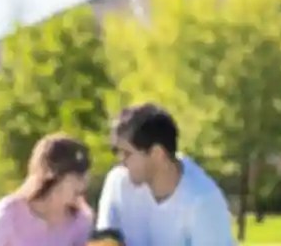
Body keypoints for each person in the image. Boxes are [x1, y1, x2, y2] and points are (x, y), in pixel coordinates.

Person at [95, 103, 235, 245]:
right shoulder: (118, 181)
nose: (121, 161)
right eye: (117, 152)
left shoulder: (204, 202)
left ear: (157, 154)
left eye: (127, 153)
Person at [0, 133, 95, 246]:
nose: (83, 183)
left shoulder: (81, 221)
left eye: (85, 175)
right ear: (51, 174)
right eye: (77, 175)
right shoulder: (9, 213)